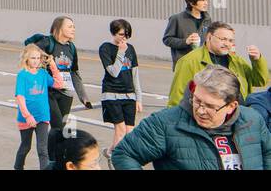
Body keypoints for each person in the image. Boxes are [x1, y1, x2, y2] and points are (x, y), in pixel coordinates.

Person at [114, 65, 271, 169]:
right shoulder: (164, 123)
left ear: (231, 106)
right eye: (196, 100)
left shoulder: (252, 119)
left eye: (210, 106)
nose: (200, 111)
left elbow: (268, 152)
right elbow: (124, 154)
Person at [25, 16, 92, 163]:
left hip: (66, 93)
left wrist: (84, 97)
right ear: (59, 28)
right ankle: (51, 160)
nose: (73, 29)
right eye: (70, 26)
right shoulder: (48, 42)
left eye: (74, 26)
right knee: (57, 126)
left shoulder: (71, 48)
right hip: (48, 91)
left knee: (61, 127)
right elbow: (28, 48)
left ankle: (55, 158)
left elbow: (74, 72)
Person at [168, 20, 266, 106]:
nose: (227, 43)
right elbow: (177, 96)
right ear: (209, 37)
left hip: (237, 116)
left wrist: (257, 61)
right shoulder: (189, 61)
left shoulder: (237, 61)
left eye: (230, 40)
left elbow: (260, 81)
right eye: (223, 39)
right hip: (208, 118)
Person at [100, 19, 143, 159]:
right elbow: (113, 72)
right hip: (112, 93)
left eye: (127, 35)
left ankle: (111, 151)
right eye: (121, 34)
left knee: (129, 132)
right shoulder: (105, 48)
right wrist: (120, 52)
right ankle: (120, 161)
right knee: (120, 130)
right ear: (113, 33)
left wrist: (138, 98)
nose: (124, 38)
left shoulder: (131, 48)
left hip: (129, 94)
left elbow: (135, 74)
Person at [14, 43, 54, 170]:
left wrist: (52, 65)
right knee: (26, 146)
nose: (36, 61)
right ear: (26, 59)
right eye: (33, 58)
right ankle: (18, 167)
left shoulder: (42, 73)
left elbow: (58, 83)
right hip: (27, 118)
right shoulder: (22, 75)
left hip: (42, 116)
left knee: (42, 149)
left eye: (38, 58)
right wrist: (27, 115)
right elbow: (19, 97)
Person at [162, 0, 211, 68]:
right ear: (191, 3)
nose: (206, 3)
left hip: (203, 65)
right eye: (202, 0)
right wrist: (185, 42)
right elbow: (167, 40)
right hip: (184, 65)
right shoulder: (176, 19)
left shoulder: (207, 19)